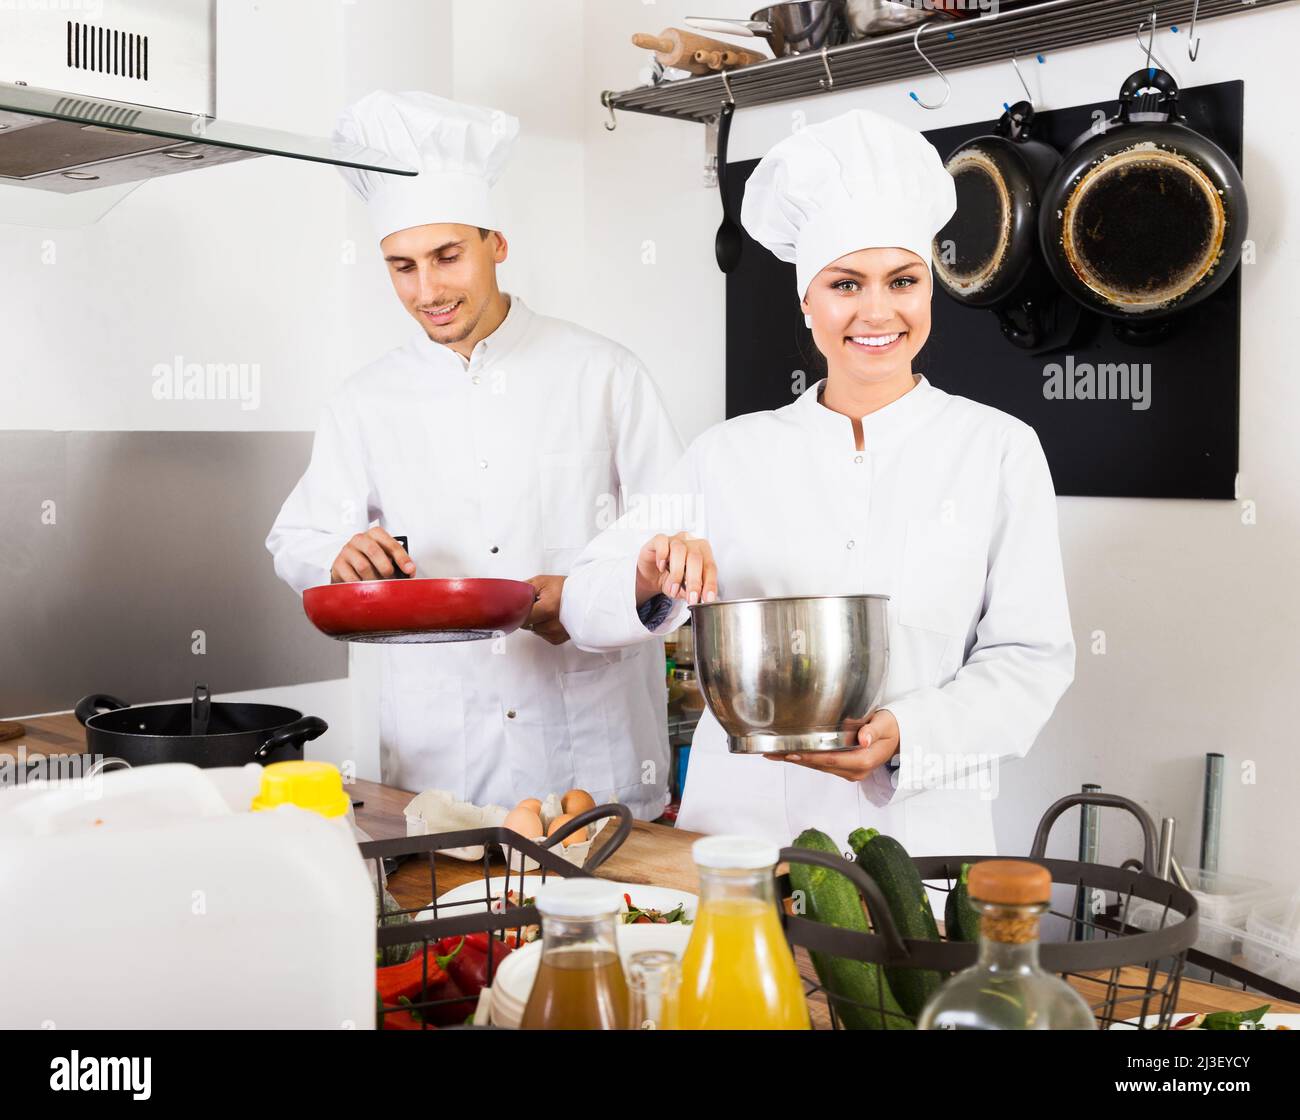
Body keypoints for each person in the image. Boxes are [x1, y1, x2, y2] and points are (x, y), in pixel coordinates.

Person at [559, 108, 1075, 854]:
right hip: (740, 838)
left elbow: (1031, 660)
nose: (877, 311)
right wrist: (647, 575)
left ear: (930, 290)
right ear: (807, 299)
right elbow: (581, 604)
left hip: (917, 838)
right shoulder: (727, 453)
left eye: (902, 280)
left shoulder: (997, 450)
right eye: (844, 284)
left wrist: (910, 735)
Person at [267, 91, 683, 818]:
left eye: (447, 256)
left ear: (497, 244)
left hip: (592, 762)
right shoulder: (365, 401)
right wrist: (340, 554)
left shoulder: (605, 374)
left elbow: (677, 545)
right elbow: (297, 539)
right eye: (401, 266)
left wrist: (596, 599)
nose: (427, 290)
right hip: (436, 772)